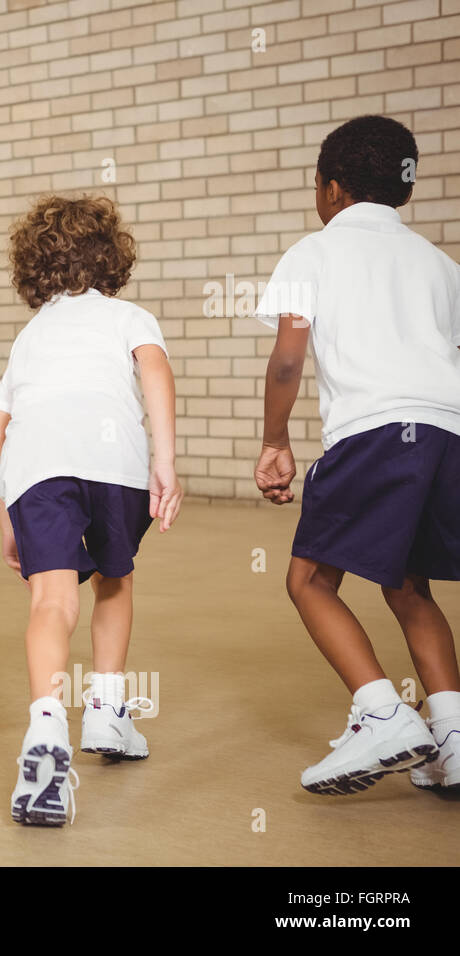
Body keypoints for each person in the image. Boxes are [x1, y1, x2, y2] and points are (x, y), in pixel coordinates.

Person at [253, 114, 460, 795]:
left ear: (333, 189)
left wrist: (275, 440)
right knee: (406, 584)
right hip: (446, 436)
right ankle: (454, 737)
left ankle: (381, 712)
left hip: (373, 434)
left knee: (310, 582)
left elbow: (288, 359)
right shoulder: (439, 264)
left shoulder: (314, 252)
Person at [0, 194, 182, 826]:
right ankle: (107, 710)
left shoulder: (30, 334)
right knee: (115, 578)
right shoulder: (128, 317)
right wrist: (166, 459)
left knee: (52, 603)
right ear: (111, 257)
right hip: (113, 465)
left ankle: (46, 729)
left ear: (33, 267)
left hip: (37, 471)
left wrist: (6, 514)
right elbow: (154, 369)